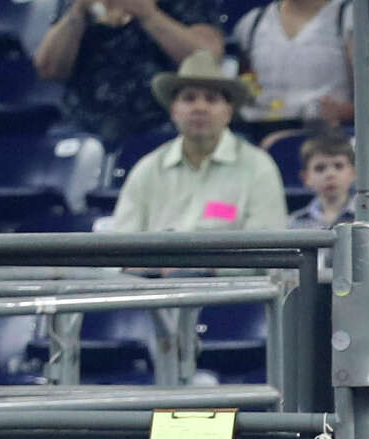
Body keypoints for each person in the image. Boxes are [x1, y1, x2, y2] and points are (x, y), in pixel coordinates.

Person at [111, 50, 287, 377]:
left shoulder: (258, 168)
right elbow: (119, 250)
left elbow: (269, 254)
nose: (200, 107)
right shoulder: (147, 170)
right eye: (189, 98)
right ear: (174, 110)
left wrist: (198, 267)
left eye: (211, 98)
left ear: (228, 110)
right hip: (152, 302)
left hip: (230, 307)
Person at [34, 0, 223, 146]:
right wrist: (76, 13)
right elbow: (48, 69)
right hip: (82, 127)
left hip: (162, 126)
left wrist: (148, 15)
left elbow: (206, 59)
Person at [232, 0, 354, 137]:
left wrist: (346, 111)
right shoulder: (252, 23)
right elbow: (240, 89)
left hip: (327, 134)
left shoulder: (351, 17)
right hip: (259, 131)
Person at [287, 128, 356, 230]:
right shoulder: (295, 223)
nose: (330, 174)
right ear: (306, 178)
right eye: (320, 168)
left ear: (353, 173)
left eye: (338, 166)